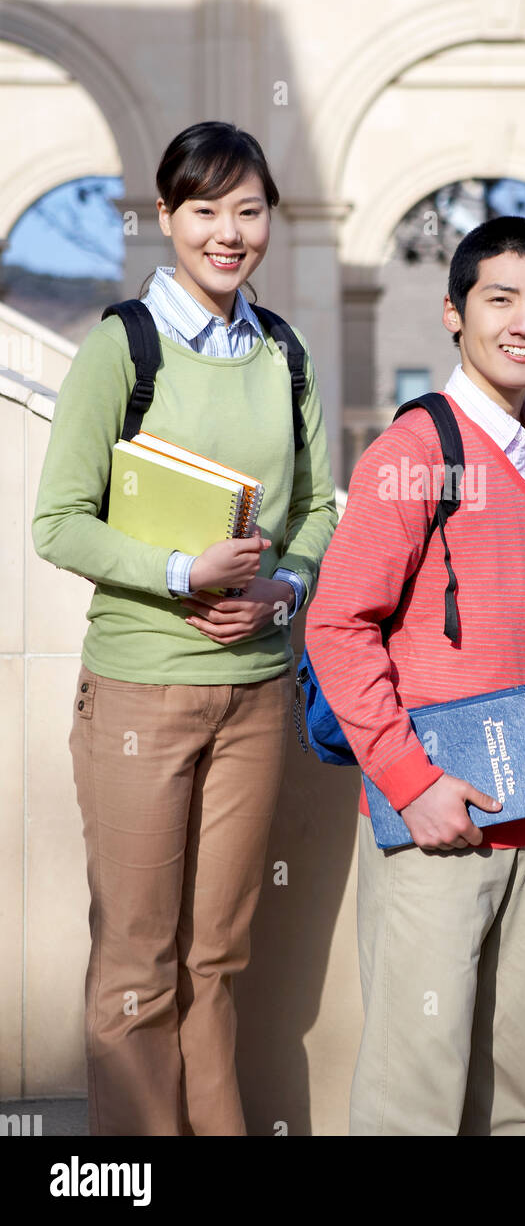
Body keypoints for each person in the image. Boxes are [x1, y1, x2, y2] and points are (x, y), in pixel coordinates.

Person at [32, 120, 337, 1136]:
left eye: (248, 210)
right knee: (137, 959)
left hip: (255, 696)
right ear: (165, 216)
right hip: (138, 692)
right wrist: (180, 571)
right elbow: (57, 521)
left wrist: (281, 591)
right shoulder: (124, 346)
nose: (228, 230)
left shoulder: (285, 354)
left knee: (218, 957)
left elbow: (322, 508)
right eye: (205, 208)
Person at [305, 215, 525, 1136]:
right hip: (437, 821)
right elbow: (337, 625)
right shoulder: (418, 451)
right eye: (500, 299)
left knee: (509, 1107)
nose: (524, 321)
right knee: (412, 1105)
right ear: (454, 313)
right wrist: (414, 782)